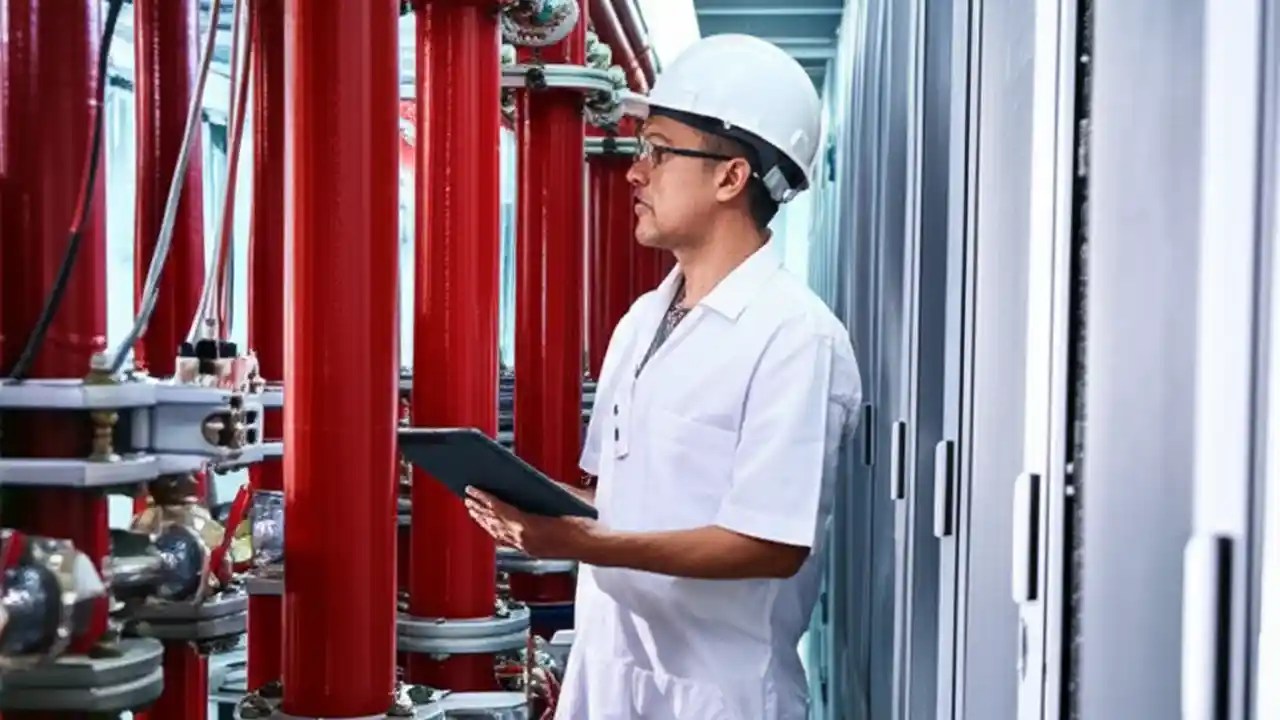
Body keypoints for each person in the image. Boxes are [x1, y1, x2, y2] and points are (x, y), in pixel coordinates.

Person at [465, 33, 863, 719]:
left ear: (730, 178)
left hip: (715, 695)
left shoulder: (795, 337)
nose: (635, 173)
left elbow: (770, 545)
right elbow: (615, 496)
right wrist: (535, 504)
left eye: (658, 151)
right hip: (607, 673)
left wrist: (581, 542)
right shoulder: (644, 319)